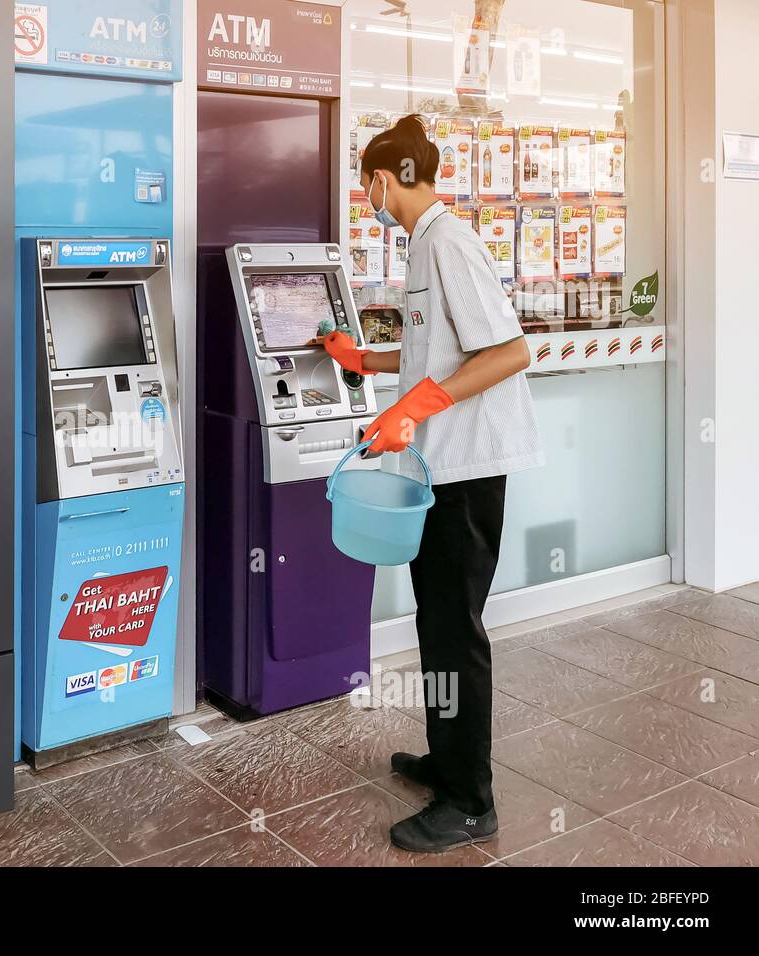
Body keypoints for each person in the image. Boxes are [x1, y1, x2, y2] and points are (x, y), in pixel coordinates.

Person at [319, 114, 545, 852]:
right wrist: (365, 362)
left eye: (367, 186)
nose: (368, 200)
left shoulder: (450, 243)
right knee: (435, 623)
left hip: (468, 471)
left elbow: (510, 351)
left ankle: (471, 802)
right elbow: (433, 353)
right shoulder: (423, 244)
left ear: (386, 179)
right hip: (438, 469)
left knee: (456, 632)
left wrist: (414, 406)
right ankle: (446, 763)